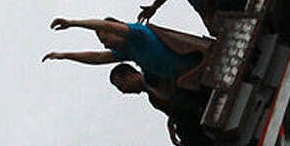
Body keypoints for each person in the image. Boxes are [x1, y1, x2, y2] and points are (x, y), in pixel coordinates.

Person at [44, 15, 210, 91]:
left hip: (197, 63)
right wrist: (65, 55)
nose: (105, 44)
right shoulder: (127, 52)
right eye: (102, 42)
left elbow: (106, 26)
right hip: (184, 79)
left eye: (105, 38)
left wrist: (73, 23)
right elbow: (97, 57)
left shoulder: (137, 34)